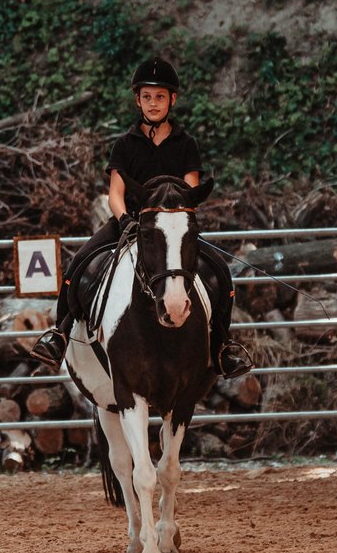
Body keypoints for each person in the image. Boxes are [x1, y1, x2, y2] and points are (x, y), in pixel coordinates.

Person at [31, 57, 251, 379]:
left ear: (172, 99)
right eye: (147, 97)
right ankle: (60, 333)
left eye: (160, 96)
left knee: (221, 273)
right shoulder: (125, 144)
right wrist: (124, 221)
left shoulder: (186, 144)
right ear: (138, 100)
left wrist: (176, 218)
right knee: (79, 263)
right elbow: (115, 194)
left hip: (173, 228)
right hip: (131, 222)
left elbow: (190, 192)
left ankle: (222, 345)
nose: (153, 103)